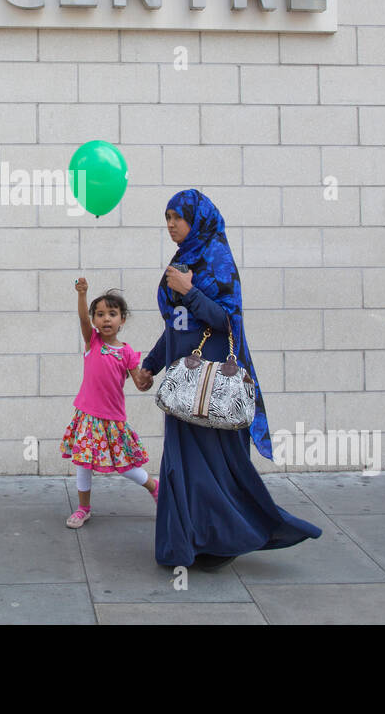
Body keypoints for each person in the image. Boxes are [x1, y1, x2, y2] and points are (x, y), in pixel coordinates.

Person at [133, 189, 322, 568]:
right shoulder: (182, 259)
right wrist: (150, 366)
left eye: (176, 217)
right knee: (178, 466)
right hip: (183, 386)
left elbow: (227, 321)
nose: (170, 225)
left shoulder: (217, 259)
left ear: (197, 219)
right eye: (166, 218)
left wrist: (190, 291)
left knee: (215, 466)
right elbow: (176, 328)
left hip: (214, 387)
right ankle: (184, 544)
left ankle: (222, 543)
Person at [59, 280, 159, 529]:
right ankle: (84, 508)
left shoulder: (126, 352)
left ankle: (155, 487)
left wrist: (146, 381)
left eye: (112, 314)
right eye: (100, 315)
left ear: (122, 320)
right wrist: (82, 295)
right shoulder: (93, 341)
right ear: (94, 320)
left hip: (113, 419)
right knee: (83, 462)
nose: (106, 319)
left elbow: (138, 381)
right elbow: (82, 319)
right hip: (87, 415)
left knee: (123, 465)